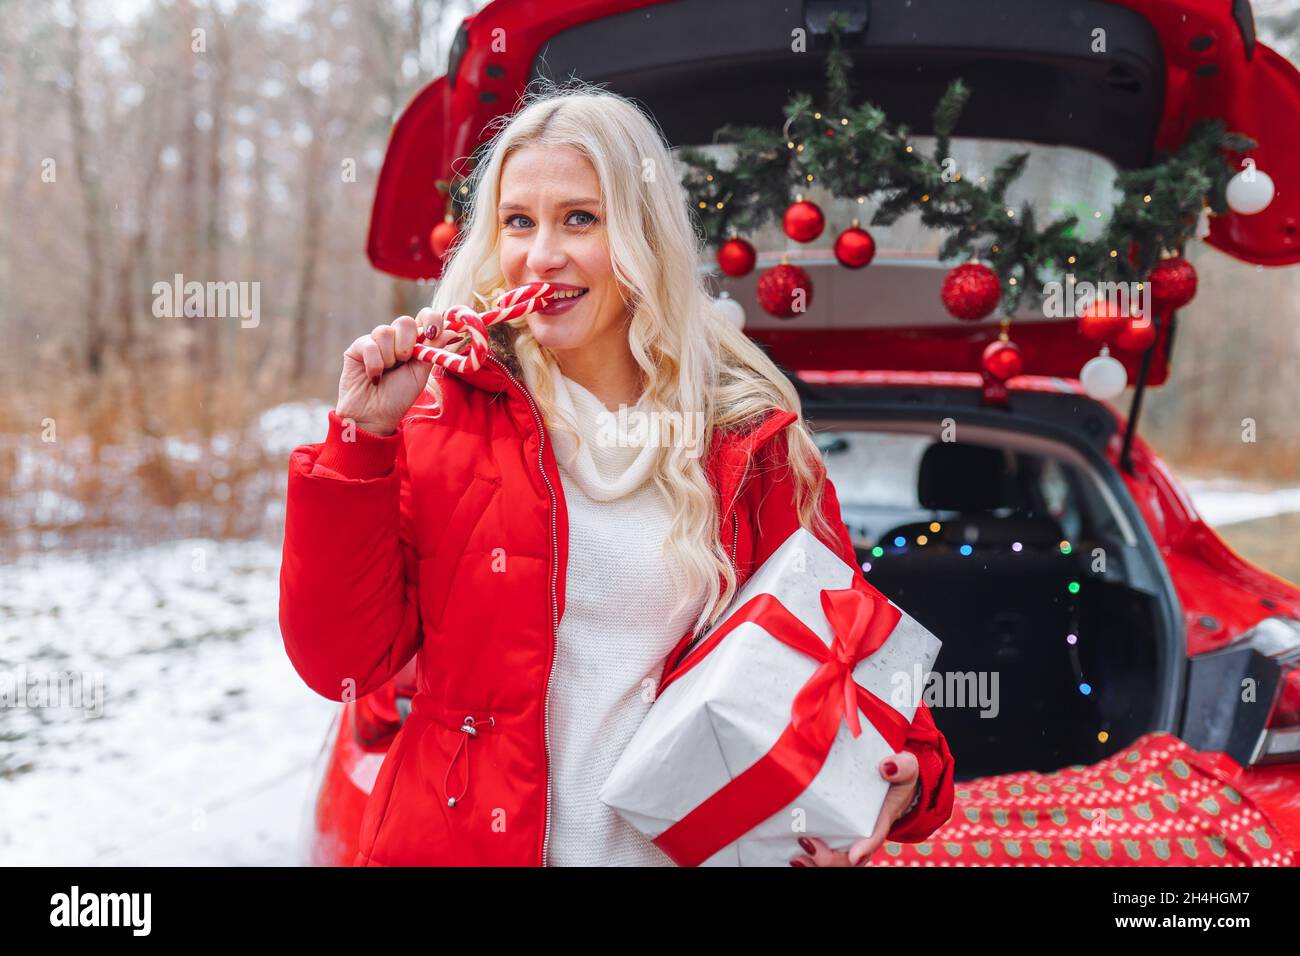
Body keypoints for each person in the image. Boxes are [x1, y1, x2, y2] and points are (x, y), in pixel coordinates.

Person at [278, 79, 955, 867]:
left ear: (640, 233)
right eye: (518, 222)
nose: (542, 255)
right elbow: (340, 666)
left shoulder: (744, 440)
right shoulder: (439, 417)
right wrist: (361, 438)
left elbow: (843, 645)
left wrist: (909, 776)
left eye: (580, 220)